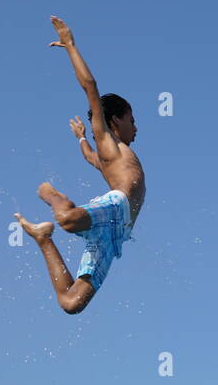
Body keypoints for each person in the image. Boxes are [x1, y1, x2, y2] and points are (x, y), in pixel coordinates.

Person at [15, 16, 145, 314]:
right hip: (115, 206)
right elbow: (90, 86)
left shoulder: (110, 158)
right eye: (132, 120)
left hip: (116, 233)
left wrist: (80, 140)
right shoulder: (112, 143)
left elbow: (91, 159)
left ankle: (43, 238)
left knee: (71, 303)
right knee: (69, 220)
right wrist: (71, 45)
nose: (136, 128)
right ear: (115, 121)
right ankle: (52, 195)